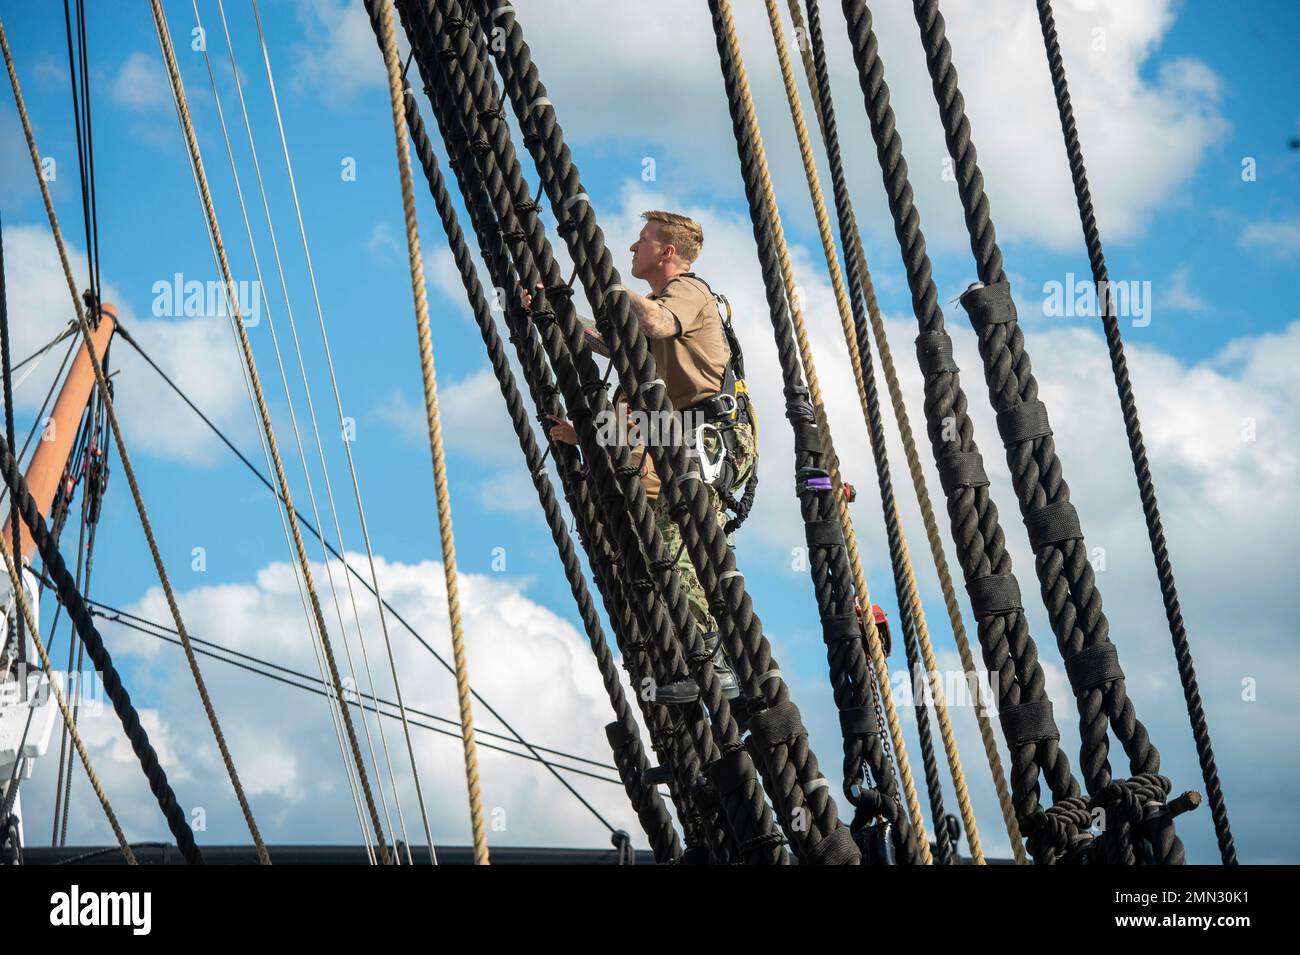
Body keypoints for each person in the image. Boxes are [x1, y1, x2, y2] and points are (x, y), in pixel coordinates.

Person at [545, 211, 754, 698]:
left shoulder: (688, 292)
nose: (632, 248)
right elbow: (605, 340)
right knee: (643, 539)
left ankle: (716, 663)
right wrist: (557, 311)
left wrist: (609, 285)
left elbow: (654, 323)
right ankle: (685, 656)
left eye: (642, 242)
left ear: (667, 252)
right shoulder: (652, 309)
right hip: (672, 436)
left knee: (673, 538)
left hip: (710, 438)